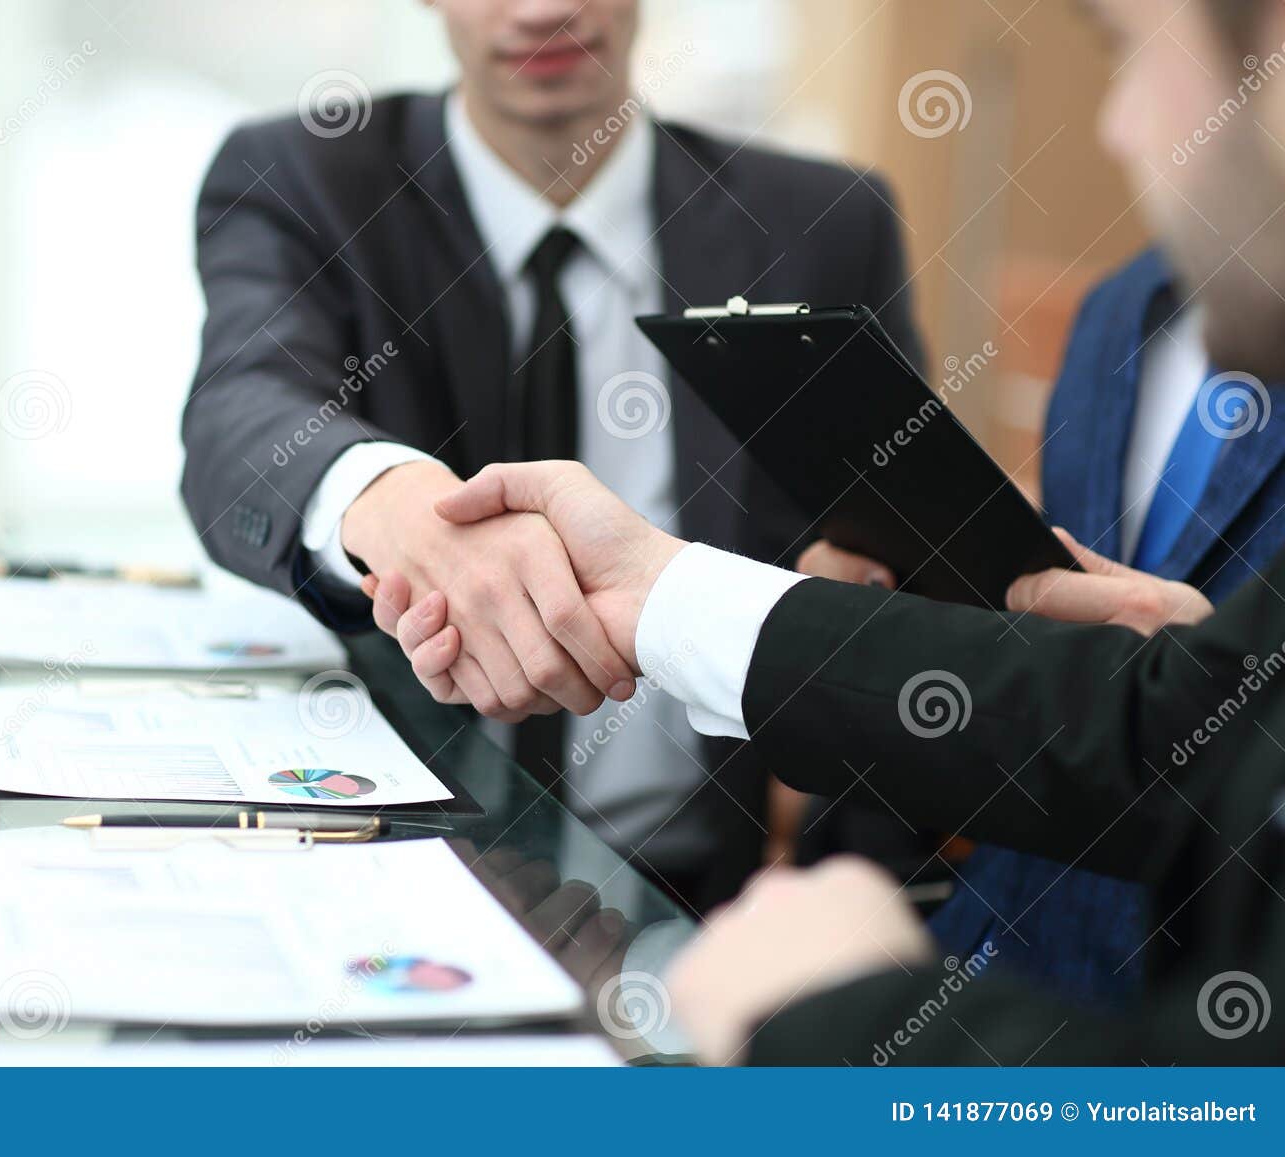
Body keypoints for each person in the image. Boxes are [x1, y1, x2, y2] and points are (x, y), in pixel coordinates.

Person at [366, 0, 1285, 1063]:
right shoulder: (1126, 314)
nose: (1118, 126)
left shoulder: (825, 215)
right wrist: (661, 589)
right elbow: (1154, 719)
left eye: (1126, 52)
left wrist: (845, 1006)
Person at [179, 0, 923, 905]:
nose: (542, 10)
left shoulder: (824, 223)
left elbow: (904, 563)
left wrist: (868, 907)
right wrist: (392, 499)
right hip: (373, 867)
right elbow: (240, 414)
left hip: (698, 894)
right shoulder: (304, 176)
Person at [800, 245, 1285, 1010]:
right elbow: (1064, 606)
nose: (1117, 130)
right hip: (1001, 950)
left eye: (1133, 112)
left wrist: (1210, 692)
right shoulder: (1120, 303)